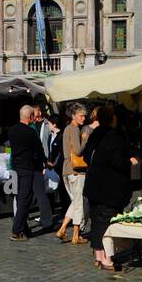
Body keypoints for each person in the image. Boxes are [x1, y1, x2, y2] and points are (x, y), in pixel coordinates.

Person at [82, 103, 137, 271]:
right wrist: (130, 162)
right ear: (113, 119)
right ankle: (107, 258)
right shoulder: (114, 137)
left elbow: (85, 156)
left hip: (93, 185)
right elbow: (117, 161)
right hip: (109, 188)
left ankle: (98, 255)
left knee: (97, 221)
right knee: (106, 221)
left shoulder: (96, 134)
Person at [9, 104, 54, 241]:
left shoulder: (13, 130)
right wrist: (46, 162)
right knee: (25, 199)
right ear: (30, 117)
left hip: (17, 167)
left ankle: (23, 229)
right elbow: (39, 151)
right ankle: (17, 230)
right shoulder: (30, 132)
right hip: (28, 167)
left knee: (21, 198)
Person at [55, 102, 91, 245]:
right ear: (74, 116)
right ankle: (76, 234)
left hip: (67, 170)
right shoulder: (74, 129)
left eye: (84, 116)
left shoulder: (66, 129)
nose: (84, 118)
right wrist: (85, 138)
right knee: (79, 203)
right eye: (81, 116)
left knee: (75, 201)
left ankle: (62, 228)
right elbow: (77, 151)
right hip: (76, 170)